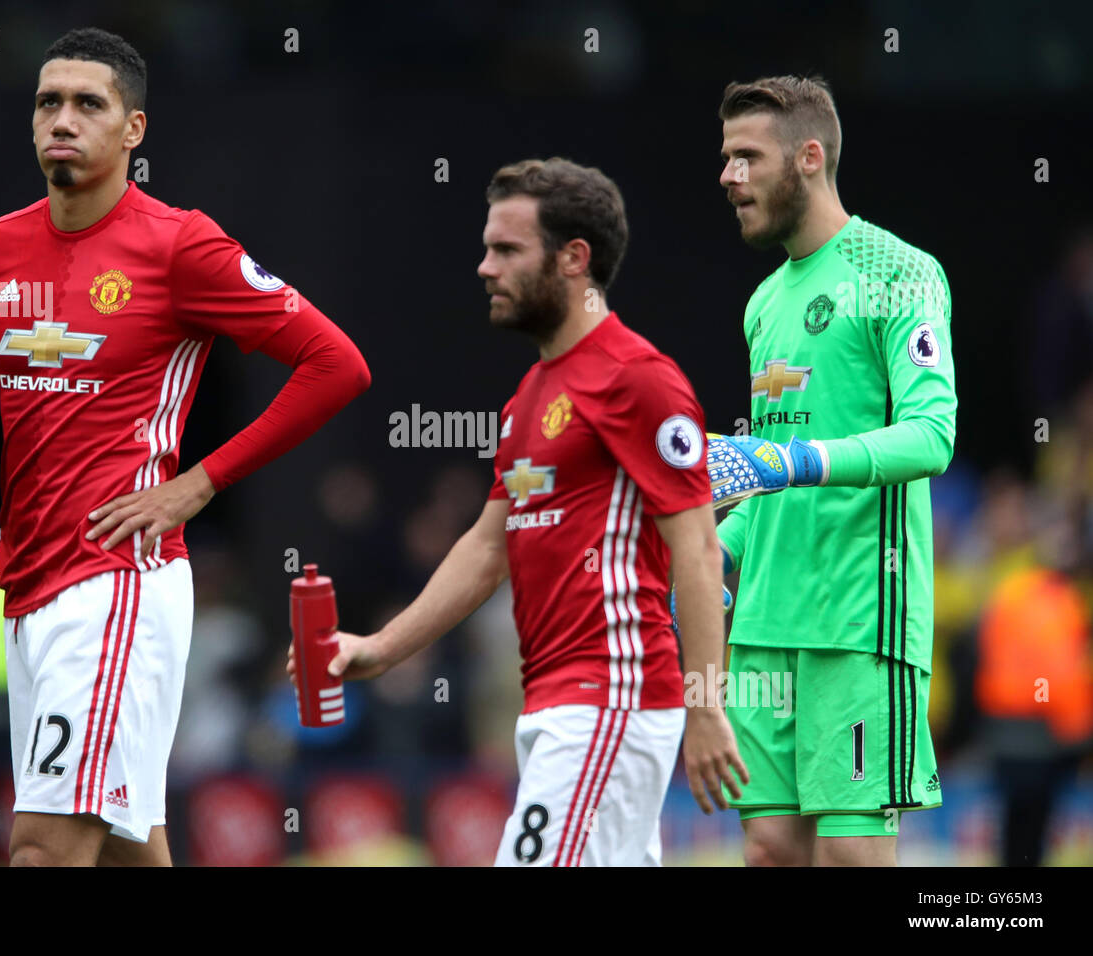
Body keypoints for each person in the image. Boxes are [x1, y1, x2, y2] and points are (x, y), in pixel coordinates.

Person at [0, 27, 370, 866]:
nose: (63, 119)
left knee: (42, 849)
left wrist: (200, 483)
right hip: (27, 592)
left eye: (88, 104)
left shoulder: (181, 246)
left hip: (116, 587)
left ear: (133, 131)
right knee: (132, 846)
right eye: (47, 102)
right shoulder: (3, 244)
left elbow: (335, 365)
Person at [292, 157, 745, 866]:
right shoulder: (528, 397)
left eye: (506, 249)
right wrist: (379, 649)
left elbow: (697, 549)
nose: (483, 267)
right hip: (558, 707)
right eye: (486, 247)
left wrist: (706, 704)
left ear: (573, 259)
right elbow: (487, 546)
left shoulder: (638, 379)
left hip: (610, 700)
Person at [710, 75, 957, 865]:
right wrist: (717, 551)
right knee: (770, 851)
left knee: (852, 857)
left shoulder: (901, 271)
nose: (727, 176)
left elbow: (931, 436)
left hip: (857, 617)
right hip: (762, 625)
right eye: (725, 158)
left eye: (746, 157)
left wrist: (797, 460)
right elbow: (771, 470)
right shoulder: (761, 304)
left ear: (809, 158)